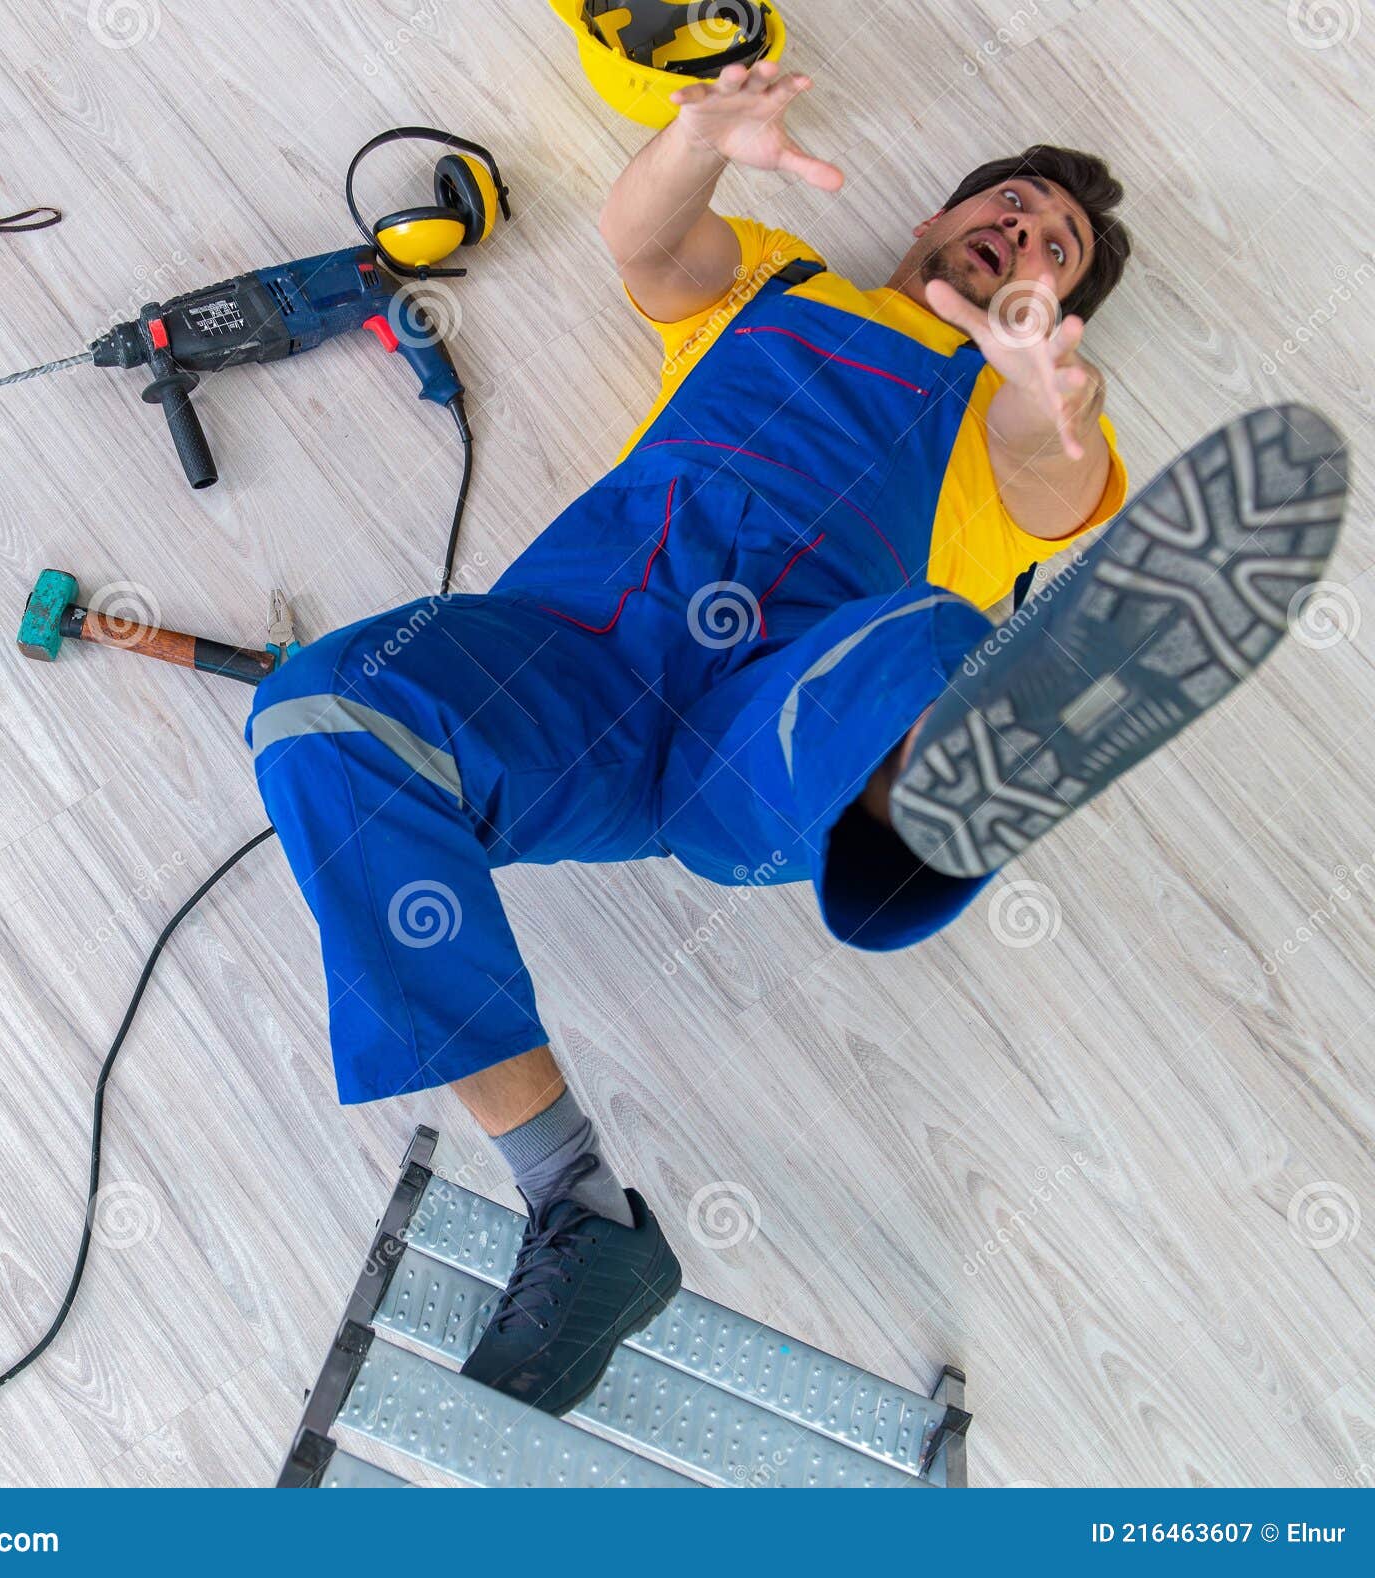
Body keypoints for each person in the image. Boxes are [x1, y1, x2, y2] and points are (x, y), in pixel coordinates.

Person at [246, 64, 1345, 1415]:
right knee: (317, 710)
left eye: (1055, 252)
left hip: (757, 738)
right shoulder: (776, 286)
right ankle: (578, 1210)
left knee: (922, 640)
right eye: (1010, 204)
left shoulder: (1021, 420)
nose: (1021, 233)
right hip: (572, 669)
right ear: (942, 217)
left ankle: (928, 776)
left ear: (1059, 316)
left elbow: (1056, 469)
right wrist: (697, 136)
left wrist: (1042, 397)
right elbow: (646, 241)